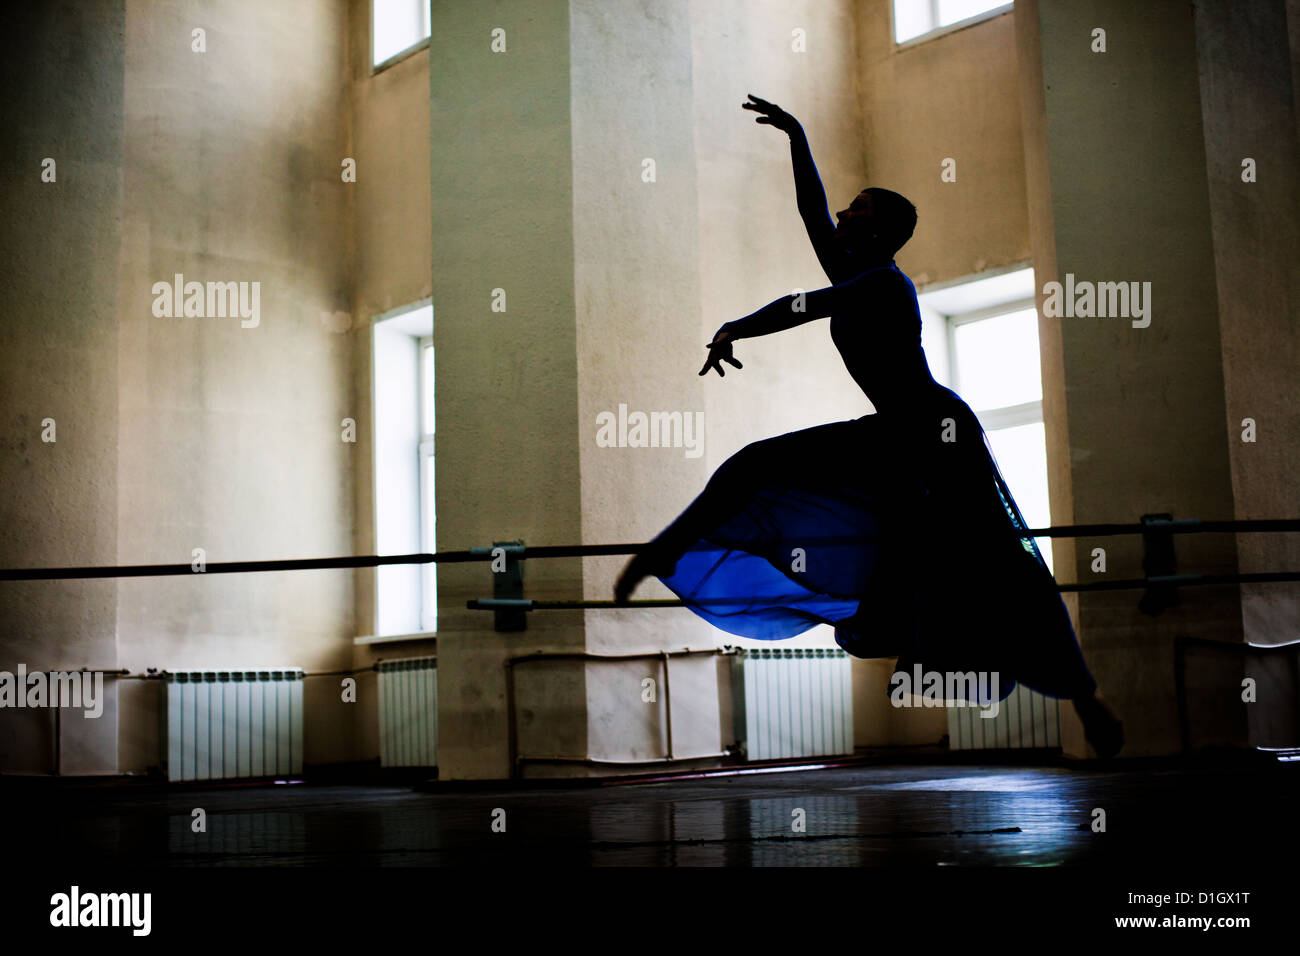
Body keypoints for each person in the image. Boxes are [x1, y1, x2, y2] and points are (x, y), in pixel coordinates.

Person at [615, 94, 1123, 758]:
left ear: (879, 234)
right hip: (895, 432)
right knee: (759, 467)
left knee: (1002, 561)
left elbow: (805, 305)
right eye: (848, 206)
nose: (841, 214)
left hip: (938, 431)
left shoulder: (884, 284)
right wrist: (796, 136)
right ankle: (664, 551)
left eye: (857, 210)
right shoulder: (855, 268)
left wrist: (739, 325)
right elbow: (808, 210)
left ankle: (1084, 698)